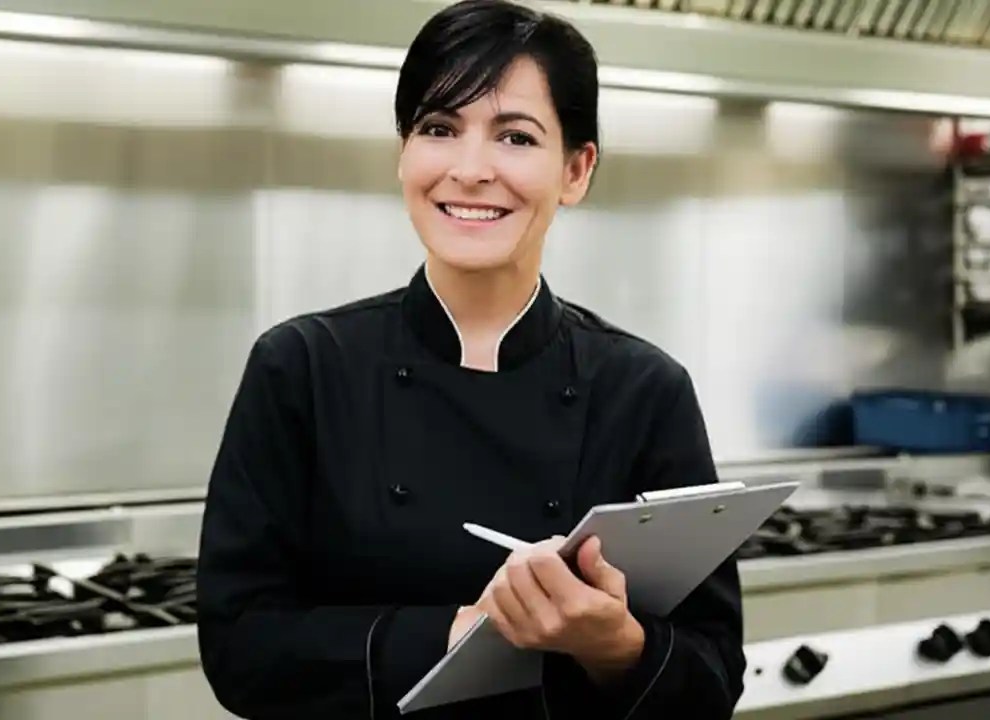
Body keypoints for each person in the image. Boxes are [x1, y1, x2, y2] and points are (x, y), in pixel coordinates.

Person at [195, 0, 746, 717]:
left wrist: (614, 642)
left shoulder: (643, 389)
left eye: (515, 137)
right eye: (438, 129)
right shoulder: (302, 367)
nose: (471, 169)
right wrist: (462, 632)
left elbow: (712, 681)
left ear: (576, 171)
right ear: (403, 154)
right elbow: (240, 647)